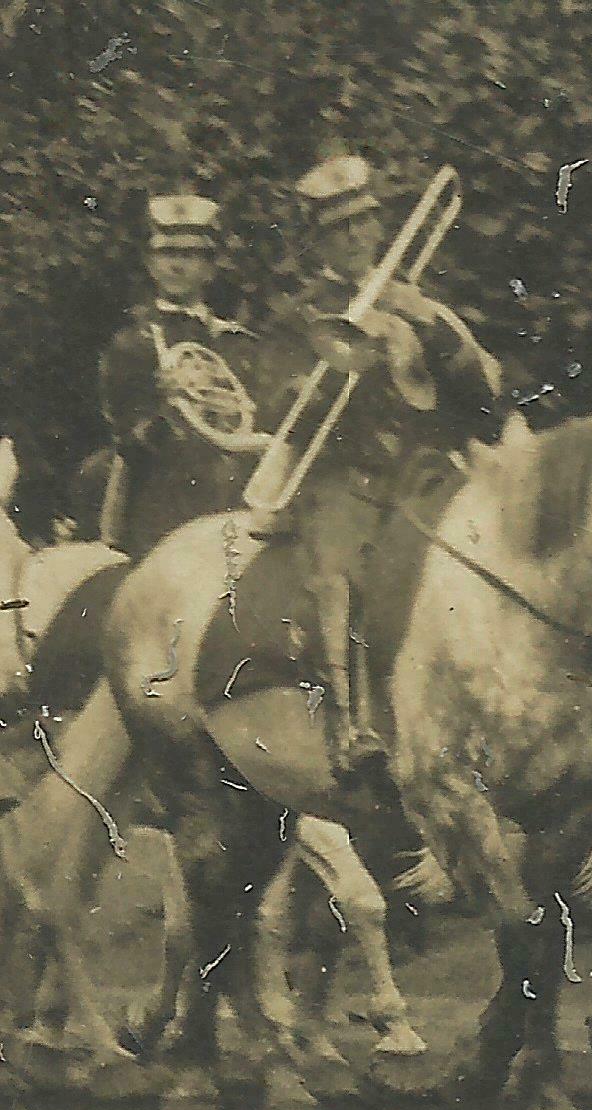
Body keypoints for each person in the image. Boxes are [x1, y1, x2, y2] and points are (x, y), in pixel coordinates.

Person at [252, 155, 504, 777]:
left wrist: (432, 334)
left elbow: (486, 402)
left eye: (364, 223)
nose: (357, 238)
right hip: (352, 480)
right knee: (339, 567)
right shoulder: (300, 316)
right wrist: (340, 359)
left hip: (433, 473)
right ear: (319, 242)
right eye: (339, 230)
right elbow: (278, 407)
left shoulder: (422, 303)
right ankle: (352, 722)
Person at [98, 192, 269, 560]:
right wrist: (163, 413)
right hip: (163, 505)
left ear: (210, 268)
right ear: (149, 262)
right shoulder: (133, 344)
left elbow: (258, 424)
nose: (177, 265)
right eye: (167, 253)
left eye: (191, 255)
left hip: (235, 500)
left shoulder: (239, 344)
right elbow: (128, 441)